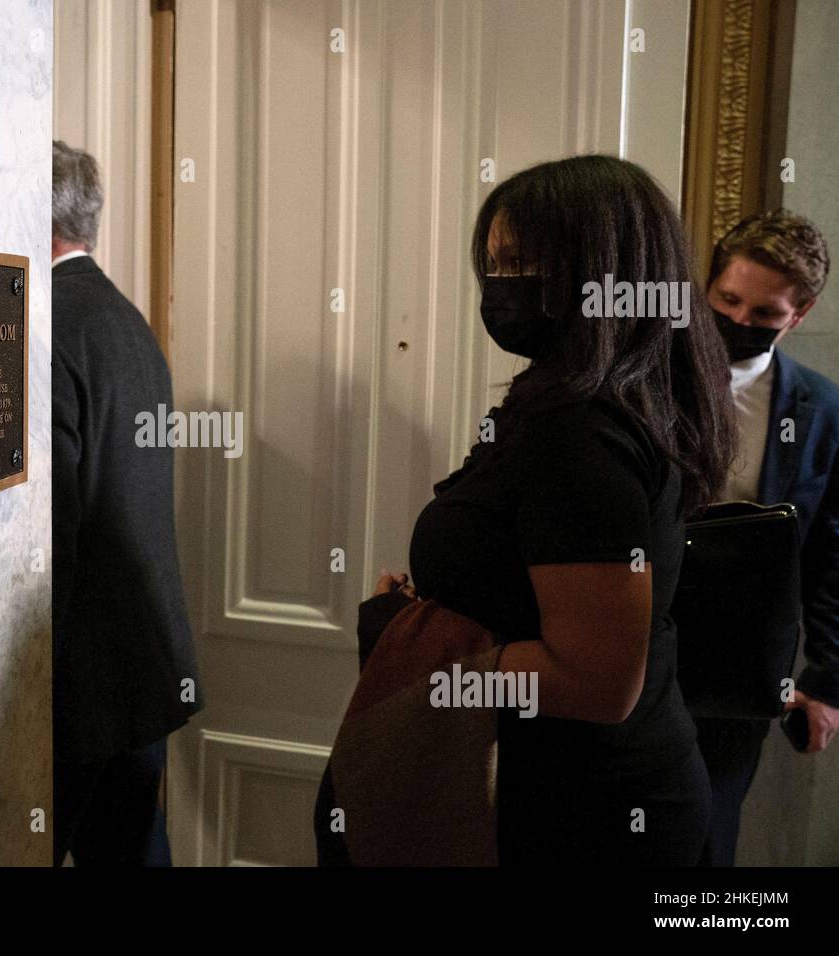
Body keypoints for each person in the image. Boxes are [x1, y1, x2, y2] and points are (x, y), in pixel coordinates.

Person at [350, 155, 738, 865]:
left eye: (525, 264)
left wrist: (413, 642)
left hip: (582, 815)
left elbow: (592, 682)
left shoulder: (581, 431)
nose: (501, 288)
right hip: (578, 789)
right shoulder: (595, 399)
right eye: (496, 264)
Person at [51, 140, 203, 866]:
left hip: (80, 676)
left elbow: (57, 524)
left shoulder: (46, 322)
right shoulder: (127, 321)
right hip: (143, 656)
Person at [695, 210, 839, 866]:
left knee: (708, 833)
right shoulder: (638, 375)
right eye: (727, 301)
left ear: (799, 314)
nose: (740, 322)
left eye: (765, 313)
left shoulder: (822, 410)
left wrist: (826, 679)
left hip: (741, 665)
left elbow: (833, 548)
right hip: (624, 636)